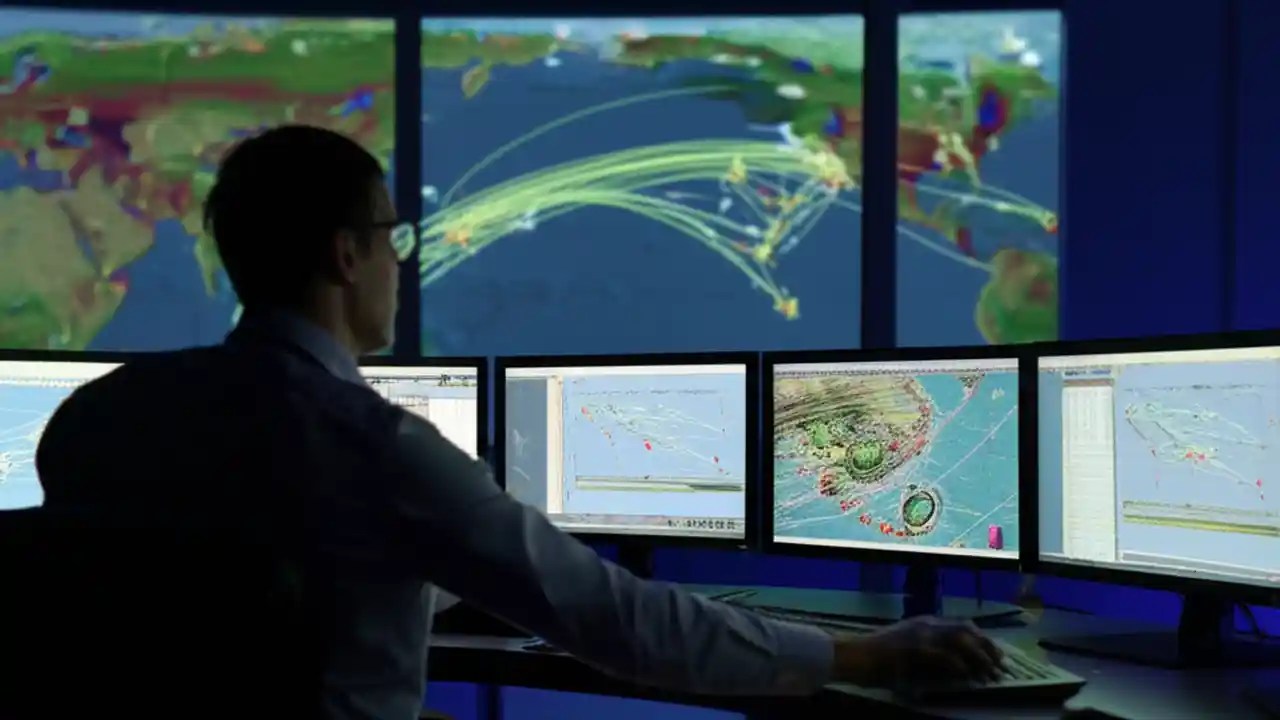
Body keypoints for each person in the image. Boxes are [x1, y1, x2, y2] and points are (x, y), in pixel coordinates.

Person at [36, 125, 1002, 720]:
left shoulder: (93, 422)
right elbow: (614, 621)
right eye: (391, 240)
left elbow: (259, 591)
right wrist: (857, 653)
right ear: (345, 255)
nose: (398, 266)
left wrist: (452, 572)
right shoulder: (380, 451)